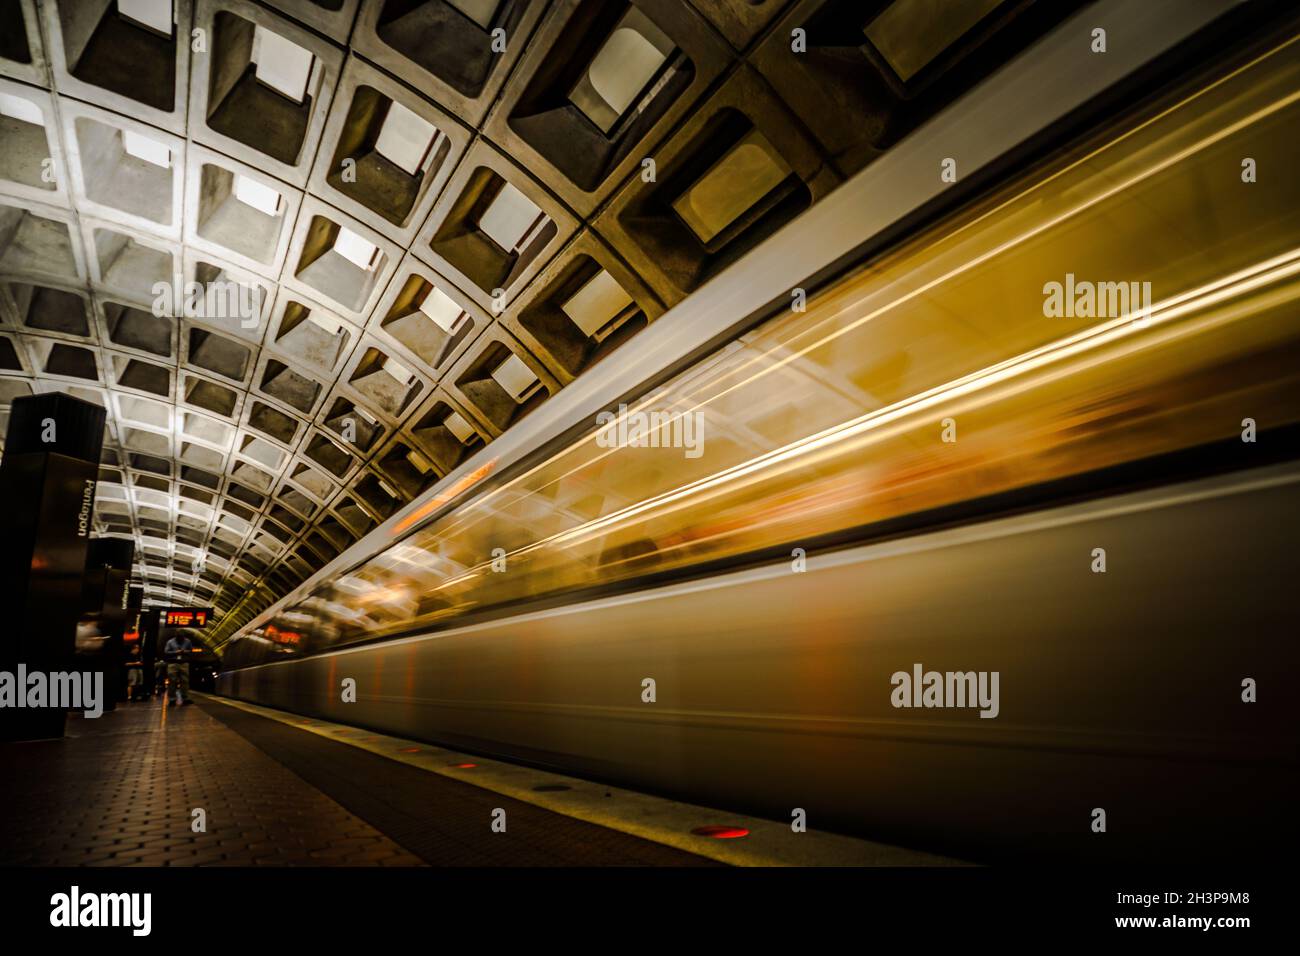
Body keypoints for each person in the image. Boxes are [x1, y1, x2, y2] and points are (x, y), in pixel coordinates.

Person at [163, 633, 194, 706]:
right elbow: (166, 652)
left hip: (184, 663)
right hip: (173, 663)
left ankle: (185, 698)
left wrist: (185, 651)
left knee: (185, 681)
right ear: (176, 637)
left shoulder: (187, 641)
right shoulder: (170, 642)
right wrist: (176, 652)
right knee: (172, 681)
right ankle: (172, 699)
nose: (181, 639)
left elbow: (191, 650)